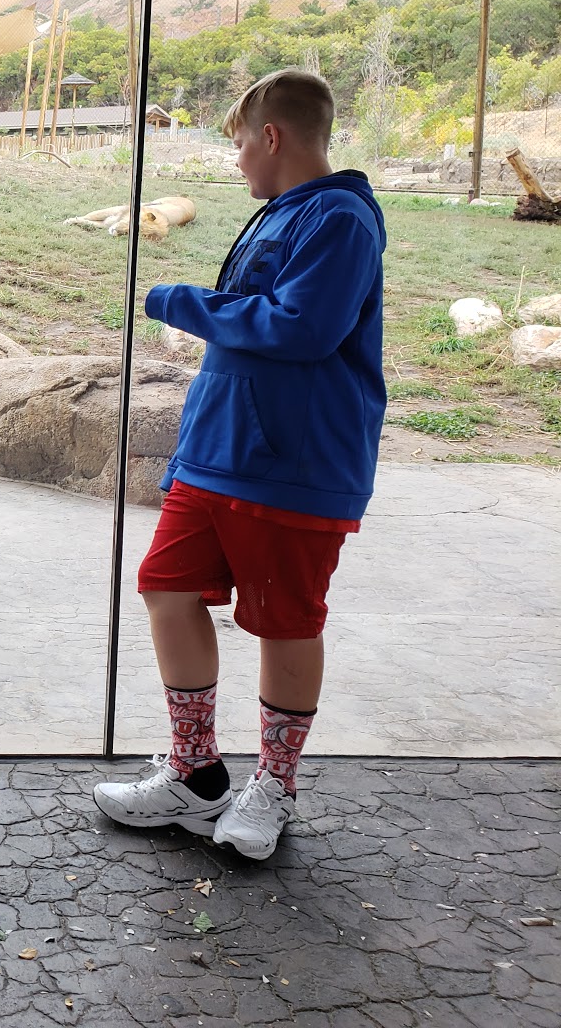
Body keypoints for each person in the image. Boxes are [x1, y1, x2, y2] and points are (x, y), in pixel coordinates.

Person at [93, 69, 386, 860]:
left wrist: (177, 299)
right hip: (218, 459)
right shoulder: (283, 214)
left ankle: (275, 786)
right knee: (167, 589)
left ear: (272, 136)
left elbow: (301, 329)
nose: (235, 163)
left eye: (236, 145)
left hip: (296, 466)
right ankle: (197, 773)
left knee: (286, 621)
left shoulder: (340, 218)